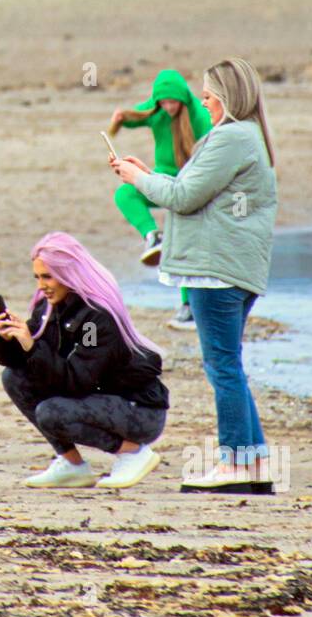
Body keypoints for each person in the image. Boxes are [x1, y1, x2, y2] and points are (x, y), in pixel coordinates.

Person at [111, 58, 278, 493]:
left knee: (222, 367)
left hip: (217, 272)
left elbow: (183, 197)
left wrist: (135, 180)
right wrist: (147, 176)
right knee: (229, 365)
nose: (201, 102)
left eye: (207, 95)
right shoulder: (248, 136)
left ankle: (235, 464)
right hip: (235, 269)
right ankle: (253, 462)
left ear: (226, 97)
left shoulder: (231, 138)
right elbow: (194, 190)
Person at [0, 232, 169, 490]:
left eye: (48, 276)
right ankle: (71, 465)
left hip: (139, 410)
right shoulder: (49, 307)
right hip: (100, 398)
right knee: (14, 377)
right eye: (38, 277)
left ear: (68, 275)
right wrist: (7, 337)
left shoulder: (95, 319)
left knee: (51, 412)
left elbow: (77, 380)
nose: (42, 285)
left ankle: (133, 453)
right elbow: (32, 363)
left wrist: (32, 346)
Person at [108, 68, 213, 329]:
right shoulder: (157, 111)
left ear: (183, 98)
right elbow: (137, 117)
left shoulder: (200, 116)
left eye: (172, 101)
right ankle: (153, 236)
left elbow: (214, 153)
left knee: (186, 243)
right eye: (163, 102)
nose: (168, 107)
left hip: (191, 184)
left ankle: (188, 305)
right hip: (163, 178)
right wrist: (121, 118)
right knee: (125, 192)